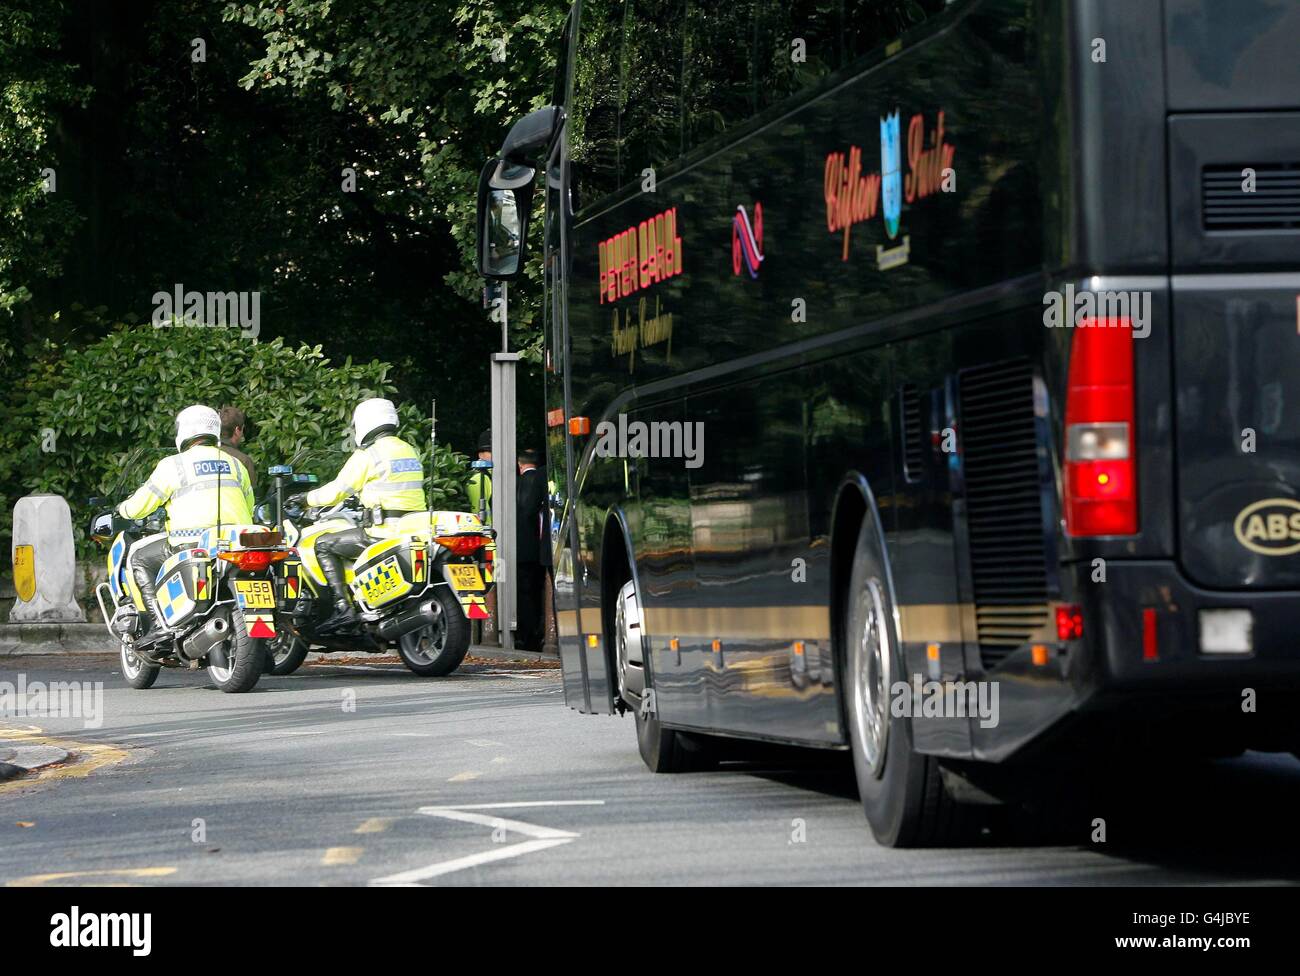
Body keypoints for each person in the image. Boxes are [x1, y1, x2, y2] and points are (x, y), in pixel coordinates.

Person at [117, 405, 255, 644]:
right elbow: (250, 506)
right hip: (237, 542)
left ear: (184, 431)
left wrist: (122, 509)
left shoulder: (174, 465)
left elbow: (139, 507)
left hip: (192, 543)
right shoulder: (235, 464)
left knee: (139, 558)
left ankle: (158, 625)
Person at [299, 397, 425, 633]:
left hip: (382, 532)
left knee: (323, 544)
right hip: (413, 531)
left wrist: (305, 499)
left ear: (365, 423)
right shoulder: (409, 450)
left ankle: (343, 608)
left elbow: (336, 492)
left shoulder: (369, 455)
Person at [514, 447, 547, 651]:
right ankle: (539, 631)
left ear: (520, 464)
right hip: (541, 547)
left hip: (520, 547)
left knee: (524, 593)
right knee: (538, 591)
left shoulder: (515, 484)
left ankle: (527, 636)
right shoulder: (545, 480)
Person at [219, 405, 257, 492]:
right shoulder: (244, 460)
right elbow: (251, 494)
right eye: (242, 429)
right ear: (237, 430)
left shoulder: (203, 454)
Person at [466, 428, 493, 524]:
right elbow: (478, 511)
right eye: (491, 451)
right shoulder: (479, 478)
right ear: (480, 455)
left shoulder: (494, 475)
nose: (496, 455)